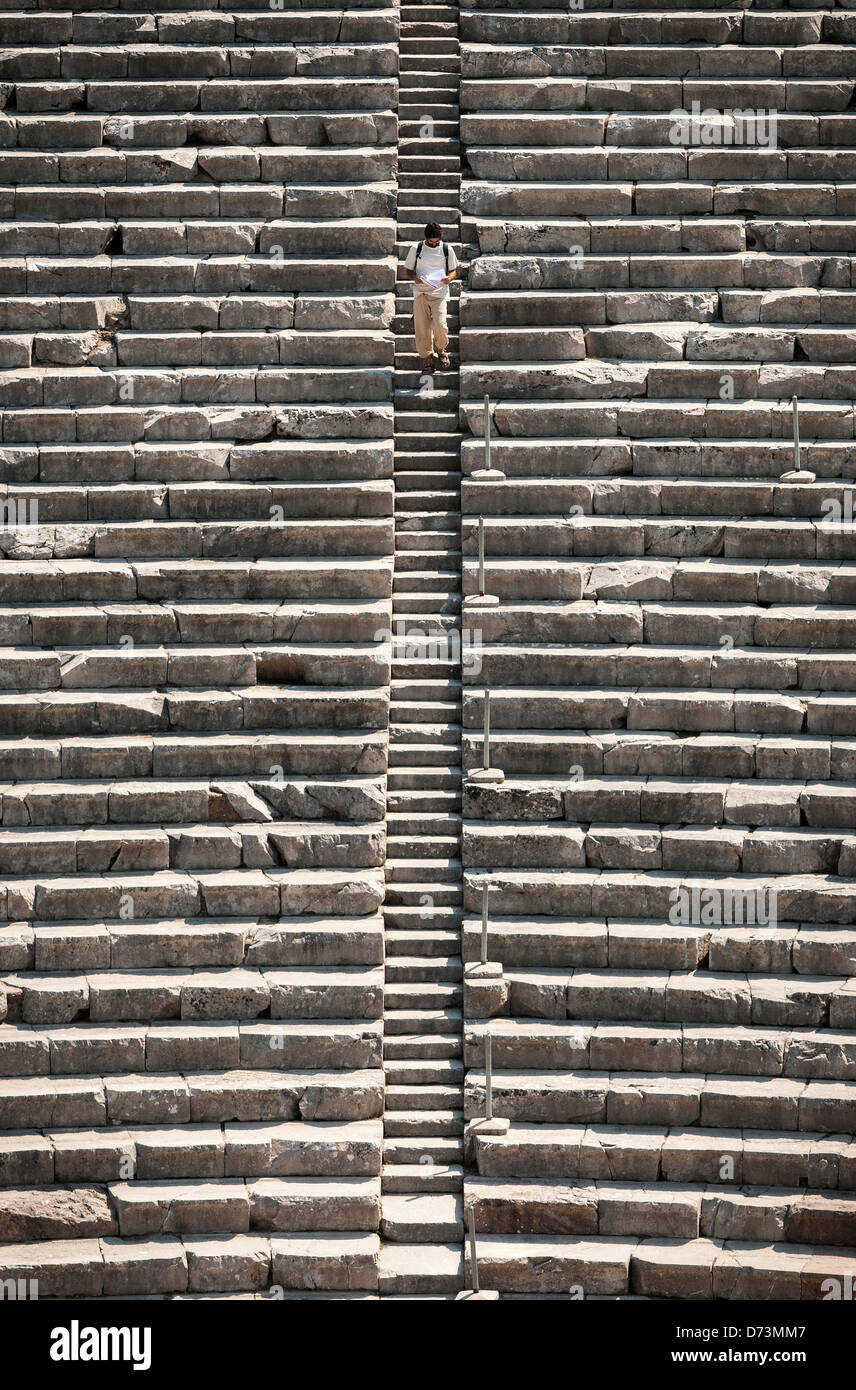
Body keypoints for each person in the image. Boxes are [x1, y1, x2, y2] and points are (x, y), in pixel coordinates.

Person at [402, 221, 459, 374]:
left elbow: (454, 270)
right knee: (422, 329)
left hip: (439, 293)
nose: (434, 244)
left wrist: (449, 278)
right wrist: (415, 278)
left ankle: (441, 350)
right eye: (431, 242)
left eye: (436, 242)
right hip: (421, 292)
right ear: (426, 238)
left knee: (440, 325)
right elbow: (407, 270)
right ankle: (429, 361)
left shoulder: (447, 249)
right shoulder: (417, 248)